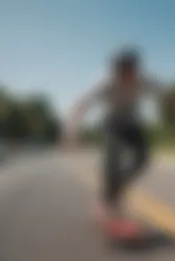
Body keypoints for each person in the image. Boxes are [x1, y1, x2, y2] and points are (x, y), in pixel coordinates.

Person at [64, 47, 168, 235]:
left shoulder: (144, 79)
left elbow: (166, 92)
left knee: (143, 160)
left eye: (129, 75)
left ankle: (115, 191)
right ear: (114, 72)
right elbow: (81, 104)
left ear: (135, 71)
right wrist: (71, 133)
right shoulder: (104, 82)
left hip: (132, 123)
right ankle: (109, 199)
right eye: (121, 75)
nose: (125, 80)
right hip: (112, 123)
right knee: (112, 162)